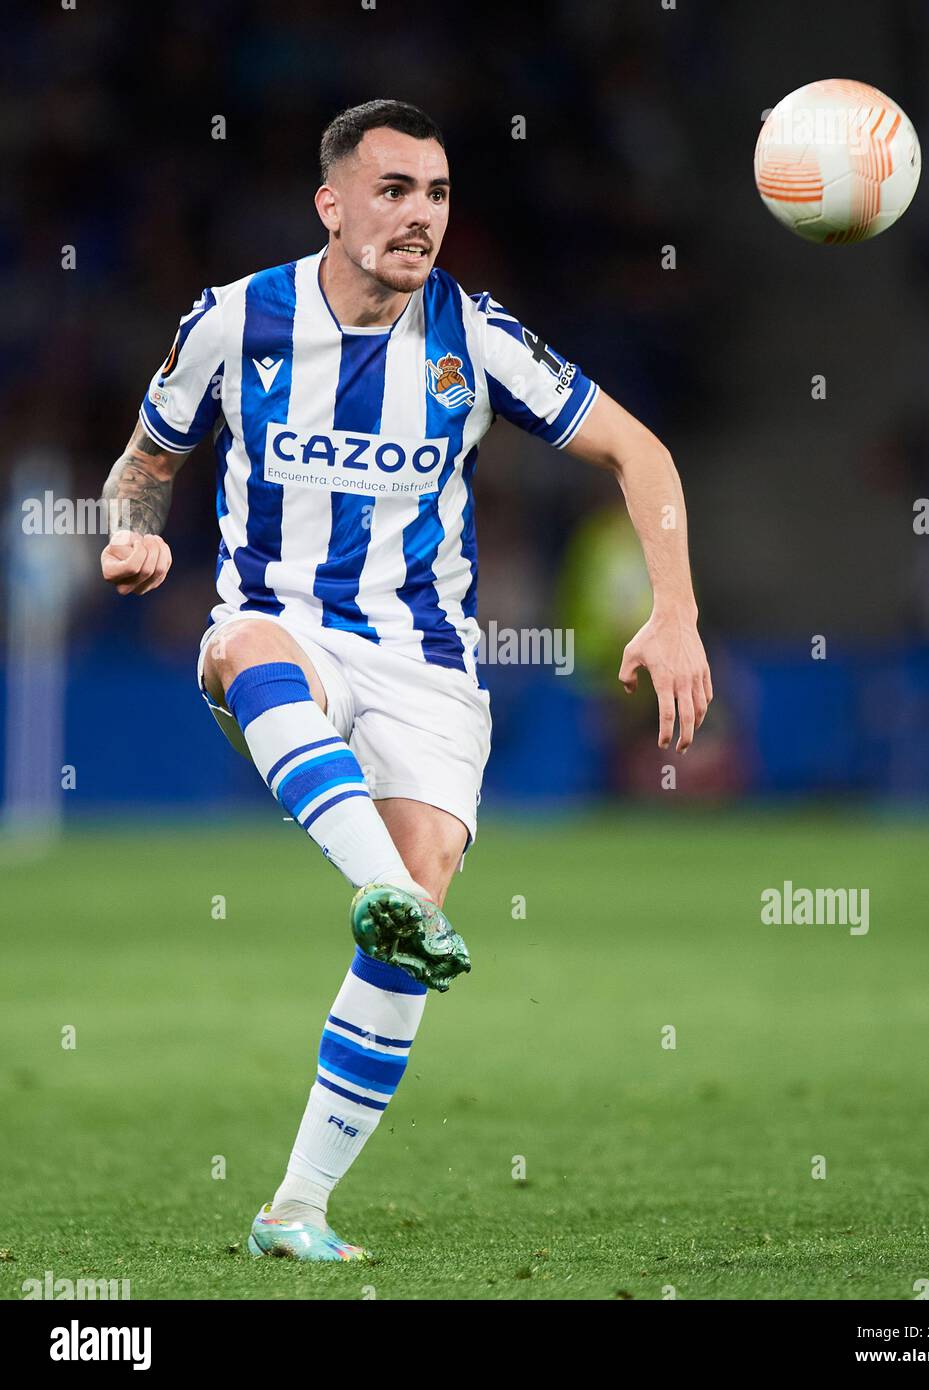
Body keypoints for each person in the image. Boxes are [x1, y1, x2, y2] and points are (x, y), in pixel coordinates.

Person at [99, 99, 713, 1262]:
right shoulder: (237, 320)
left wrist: (674, 610)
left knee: (410, 920)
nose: (418, 214)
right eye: (391, 189)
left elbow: (642, 451)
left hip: (428, 667)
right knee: (245, 650)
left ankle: (293, 1208)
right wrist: (130, 536)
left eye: (434, 193)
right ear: (330, 205)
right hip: (282, 631)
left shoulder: (473, 339)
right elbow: (144, 465)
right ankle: (381, 885)